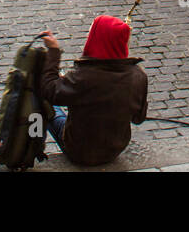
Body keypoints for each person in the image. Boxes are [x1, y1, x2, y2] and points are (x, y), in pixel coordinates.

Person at [39, 16, 148, 167]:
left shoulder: (83, 76)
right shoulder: (138, 76)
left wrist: (53, 51)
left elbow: (49, 90)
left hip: (79, 151)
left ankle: (29, 147)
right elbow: (138, 119)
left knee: (44, 102)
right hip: (114, 149)